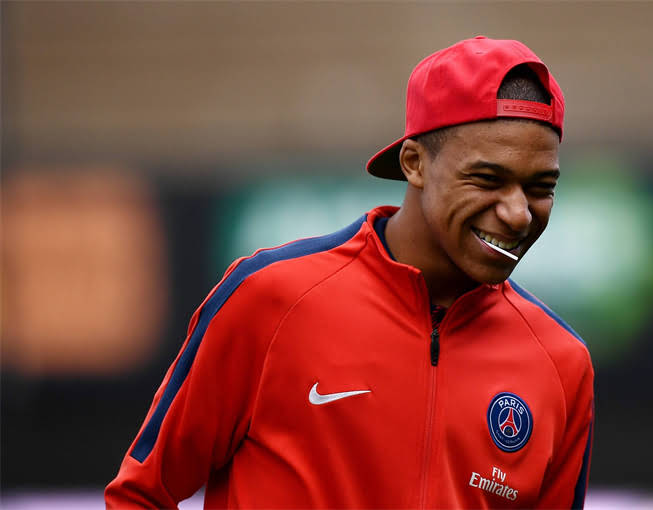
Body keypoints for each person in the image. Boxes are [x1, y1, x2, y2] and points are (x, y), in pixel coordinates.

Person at [106, 36, 594, 509]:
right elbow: (141, 494)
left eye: (540, 187)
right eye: (487, 179)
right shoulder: (271, 298)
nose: (518, 214)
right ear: (414, 163)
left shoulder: (561, 363)